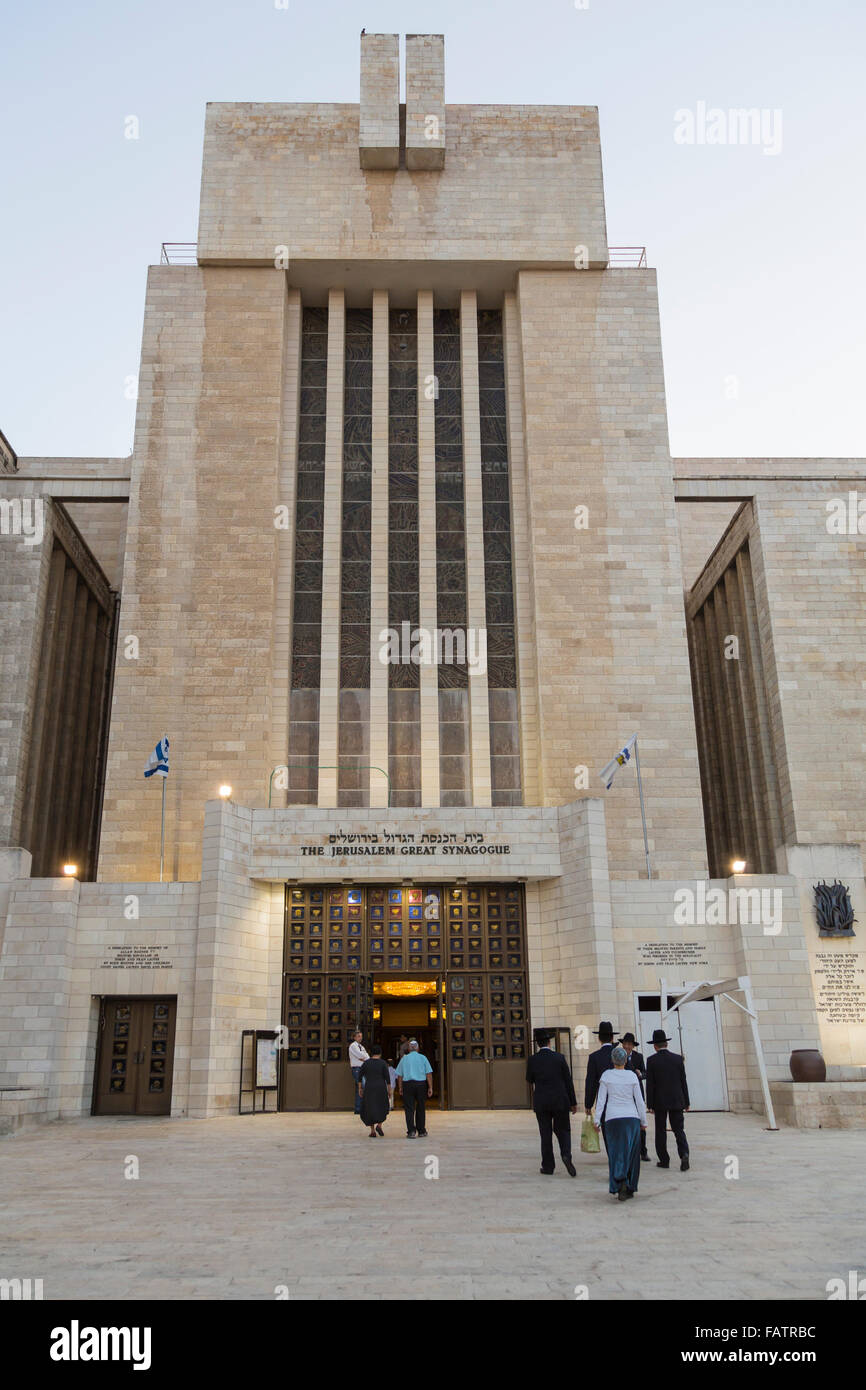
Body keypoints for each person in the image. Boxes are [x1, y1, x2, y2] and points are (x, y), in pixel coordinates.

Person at [593, 1045, 647, 1201]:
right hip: (632, 1118)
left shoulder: (606, 1076)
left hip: (613, 1118)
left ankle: (619, 1181)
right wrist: (643, 1121)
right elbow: (640, 1102)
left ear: (612, 1060)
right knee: (632, 1154)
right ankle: (630, 1186)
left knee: (616, 1152)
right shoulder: (632, 1076)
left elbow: (601, 1100)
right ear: (625, 1060)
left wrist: (597, 1121)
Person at [525, 1030, 578, 1176]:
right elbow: (568, 1081)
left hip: (541, 1101)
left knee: (545, 1133)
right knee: (563, 1130)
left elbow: (529, 1079)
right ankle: (566, 1154)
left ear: (537, 1044)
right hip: (560, 1100)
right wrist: (573, 1102)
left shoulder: (532, 1060)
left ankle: (548, 1166)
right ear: (549, 1042)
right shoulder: (559, 1058)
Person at [645, 1028, 691, 1171]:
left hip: (660, 1102)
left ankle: (664, 1160)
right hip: (677, 1100)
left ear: (655, 1046)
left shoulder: (651, 1060)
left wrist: (650, 1104)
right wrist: (686, 1101)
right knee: (679, 1130)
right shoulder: (678, 1059)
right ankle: (684, 1154)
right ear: (667, 1043)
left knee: (660, 1131)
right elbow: (683, 1081)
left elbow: (650, 1084)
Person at [584, 1021, 615, 1151]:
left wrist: (588, 1104)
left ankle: (612, 1156)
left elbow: (591, 1083)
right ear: (612, 1038)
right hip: (623, 1101)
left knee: (608, 1133)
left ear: (599, 1038)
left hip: (604, 1101)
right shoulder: (620, 1054)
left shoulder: (594, 1057)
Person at [620, 1032, 649, 1161]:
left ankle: (643, 1151)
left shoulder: (638, 1057)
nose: (627, 1046)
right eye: (625, 1044)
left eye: (629, 1044)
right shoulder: (619, 1056)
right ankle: (628, 1150)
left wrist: (640, 1074)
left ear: (633, 1045)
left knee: (640, 1123)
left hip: (636, 1092)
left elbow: (645, 1073)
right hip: (623, 1093)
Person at [395, 1039, 432, 1138]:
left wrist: (400, 1087)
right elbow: (428, 1073)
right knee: (421, 1107)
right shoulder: (423, 1058)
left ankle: (411, 1131)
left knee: (409, 1109)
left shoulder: (404, 1059)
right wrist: (430, 1087)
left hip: (408, 1085)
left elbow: (399, 1075)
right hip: (421, 1085)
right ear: (418, 1048)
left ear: (408, 1048)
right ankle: (421, 1131)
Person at [358, 1044, 392, 1138]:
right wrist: (390, 1091)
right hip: (380, 1087)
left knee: (370, 1107)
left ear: (371, 1053)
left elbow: (360, 1077)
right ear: (380, 1053)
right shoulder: (383, 1063)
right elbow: (387, 1079)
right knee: (382, 1105)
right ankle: (379, 1125)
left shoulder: (366, 1063)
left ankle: (372, 1131)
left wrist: (360, 1088)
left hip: (369, 1087)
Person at [348, 1030, 369, 1116]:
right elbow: (360, 1055)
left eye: (361, 1036)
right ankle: (362, 1108)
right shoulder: (353, 1046)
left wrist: (363, 1057)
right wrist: (363, 1057)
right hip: (357, 1069)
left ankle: (358, 1108)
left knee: (359, 1089)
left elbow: (367, 1056)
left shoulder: (361, 1046)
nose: (361, 1038)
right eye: (359, 1036)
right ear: (354, 1037)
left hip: (362, 1068)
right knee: (363, 1086)